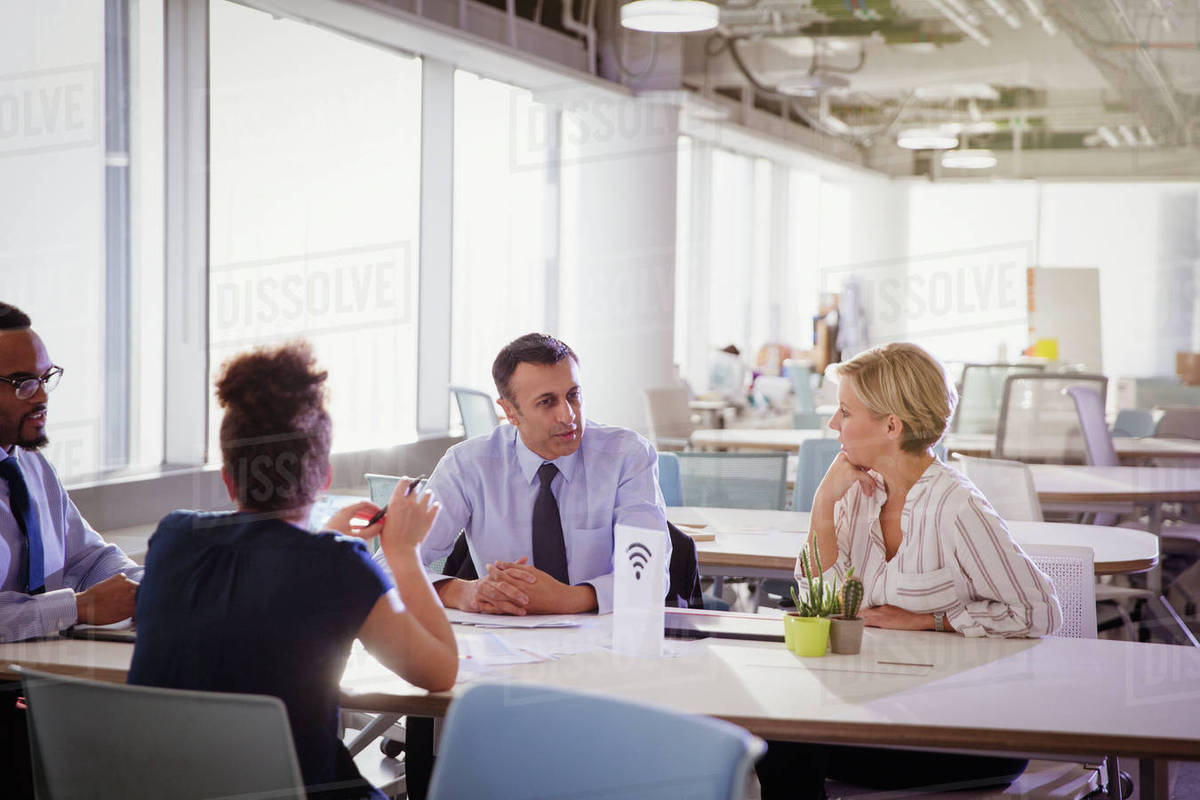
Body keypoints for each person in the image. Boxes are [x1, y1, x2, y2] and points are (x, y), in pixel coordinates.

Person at [128, 341, 457, 800]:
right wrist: (404, 552)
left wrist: (332, 543)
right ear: (323, 477)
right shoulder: (337, 567)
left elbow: (264, 566)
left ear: (227, 476)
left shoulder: (173, 539)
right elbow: (440, 671)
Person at [757, 342, 1062, 799]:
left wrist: (931, 620)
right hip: (881, 706)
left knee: (786, 740)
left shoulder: (955, 506)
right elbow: (816, 600)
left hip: (966, 730)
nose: (833, 424)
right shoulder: (856, 492)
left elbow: (1039, 613)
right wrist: (822, 506)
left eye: (844, 411)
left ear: (891, 426)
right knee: (771, 727)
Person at [410, 332, 669, 616]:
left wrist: (571, 599)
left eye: (573, 395)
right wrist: (462, 592)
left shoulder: (626, 455)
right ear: (510, 412)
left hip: (606, 639)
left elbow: (651, 576)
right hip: (504, 643)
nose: (567, 415)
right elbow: (389, 563)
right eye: (547, 402)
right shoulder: (469, 465)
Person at [0, 302, 143, 799]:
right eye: (22, 383)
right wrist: (79, 607)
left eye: (45, 377)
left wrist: (142, 585)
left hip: (41, 690)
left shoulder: (31, 466)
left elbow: (87, 558)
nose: (41, 396)